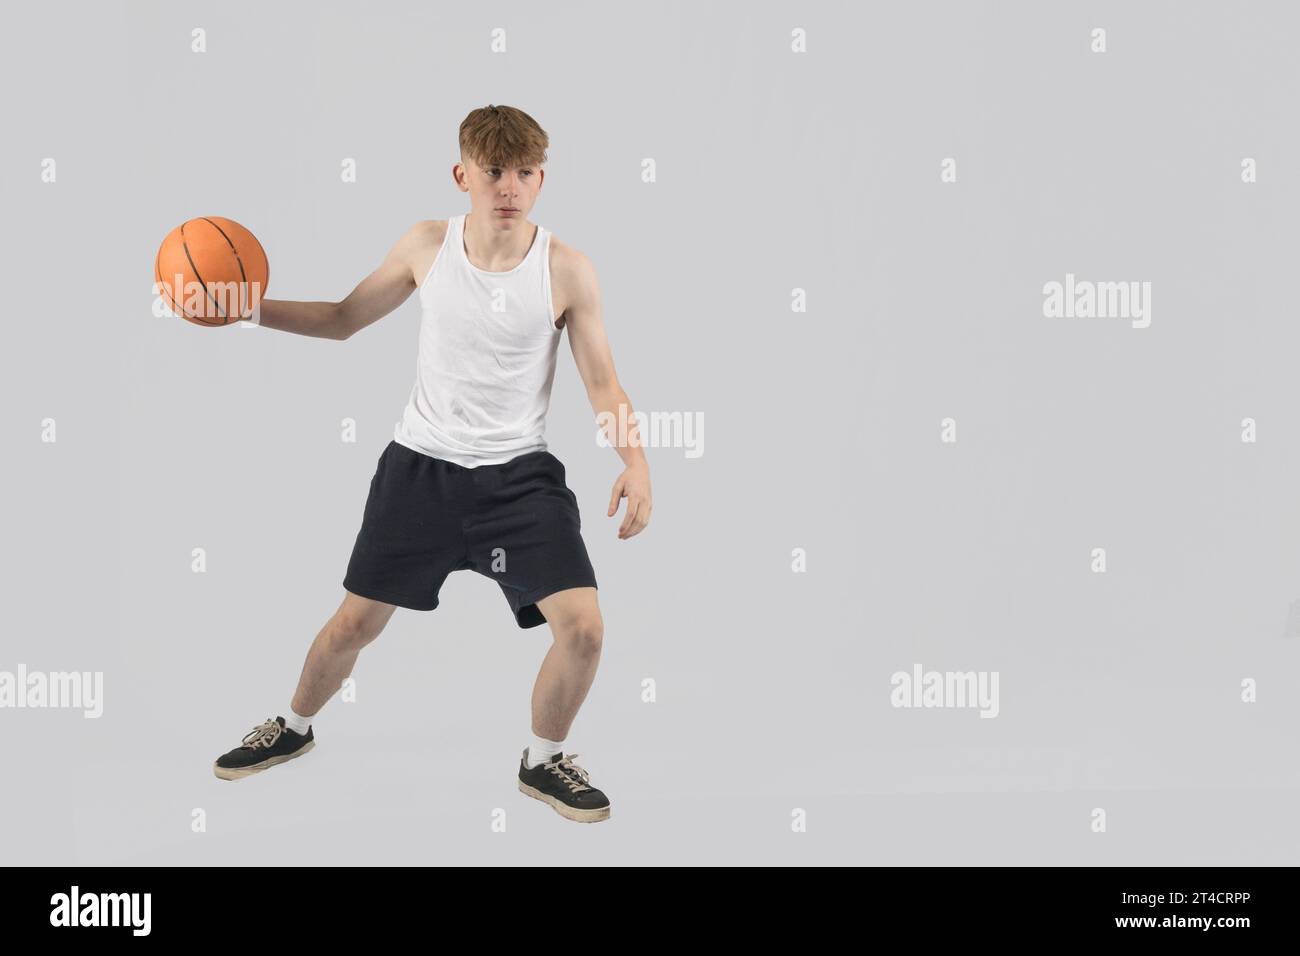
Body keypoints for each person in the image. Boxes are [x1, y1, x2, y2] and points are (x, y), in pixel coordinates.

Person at [211, 105, 652, 824]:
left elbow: (603, 383)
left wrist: (635, 460)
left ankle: (543, 762)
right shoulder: (426, 245)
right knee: (352, 626)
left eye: (523, 173)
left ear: (541, 179)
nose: (508, 187)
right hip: (420, 471)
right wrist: (246, 309)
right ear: (463, 175)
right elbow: (341, 320)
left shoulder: (567, 269)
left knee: (586, 627)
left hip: (519, 482)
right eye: (492, 172)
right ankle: (292, 728)